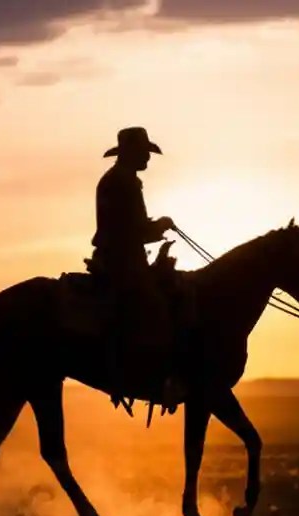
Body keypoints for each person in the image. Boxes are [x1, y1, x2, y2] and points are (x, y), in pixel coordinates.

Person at [88, 127, 182, 409]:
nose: (148, 159)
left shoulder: (119, 179)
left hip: (118, 256)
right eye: (144, 153)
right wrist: (160, 226)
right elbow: (133, 230)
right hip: (122, 261)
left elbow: (130, 225)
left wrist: (153, 227)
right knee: (156, 304)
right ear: (131, 153)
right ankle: (148, 377)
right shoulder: (123, 182)